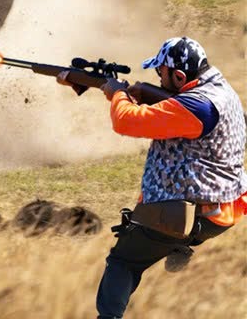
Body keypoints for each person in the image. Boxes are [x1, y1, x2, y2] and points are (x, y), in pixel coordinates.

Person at [61, 37, 247, 319]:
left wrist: (116, 94)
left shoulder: (194, 109)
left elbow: (125, 121)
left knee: (123, 262)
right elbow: (169, 109)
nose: (158, 77)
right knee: (163, 236)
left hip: (185, 214)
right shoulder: (219, 90)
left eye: (161, 73)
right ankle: (182, 244)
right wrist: (125, 92)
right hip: (224, 213)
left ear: (180, 75)